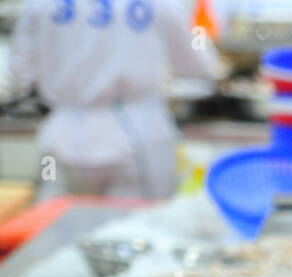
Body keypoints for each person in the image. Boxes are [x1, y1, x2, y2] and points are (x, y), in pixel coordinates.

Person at [9, 0, 222, 200]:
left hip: (58, 138)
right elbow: (201, 61)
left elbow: (20, 72)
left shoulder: (38, 3)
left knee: (52, 221)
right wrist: (199, 27)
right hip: (136, 137)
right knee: (138, 227)